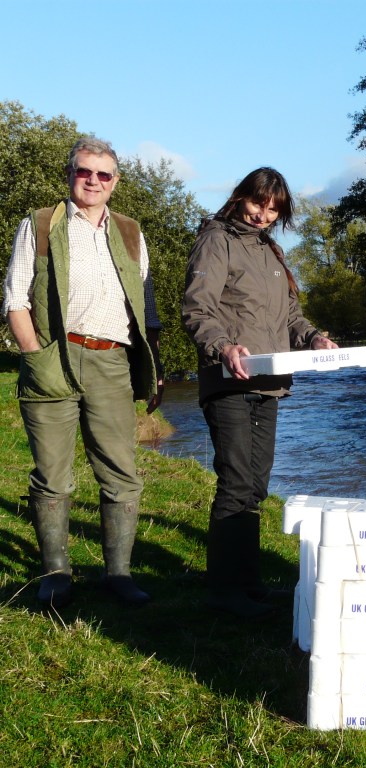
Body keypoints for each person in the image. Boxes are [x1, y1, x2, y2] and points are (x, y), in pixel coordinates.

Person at [3, 137, 163, 609]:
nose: (92, 181)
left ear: (115, 182)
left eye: (103, 174)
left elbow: (147, 309)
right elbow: (15, 298)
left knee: (121, 473)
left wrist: (151, 367)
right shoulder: (41, 223)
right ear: (70, 173)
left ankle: (118, 575)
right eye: (84, 172)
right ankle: (56, 575)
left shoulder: (132, 232)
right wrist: (35, 354)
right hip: (54, 354)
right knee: (52, 475)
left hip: (112, 361)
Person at [182, 167, 338, 619]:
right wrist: (222, 346)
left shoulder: (272, 251)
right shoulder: (216, 239)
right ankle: (223, 592)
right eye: (257, 203)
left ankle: (247, 583)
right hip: (228, 381)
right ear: (240, 197)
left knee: (256, 486)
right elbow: (197, 307)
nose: (263, 215)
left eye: (273, 209)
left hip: (269, 386)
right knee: (235, 482)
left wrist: (314, 339)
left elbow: (292, 318)